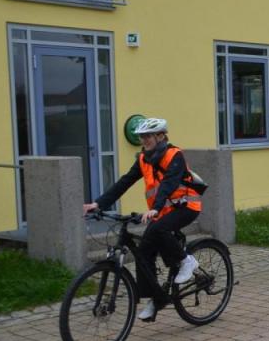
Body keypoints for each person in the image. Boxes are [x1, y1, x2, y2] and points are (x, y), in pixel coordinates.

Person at [83, 118, 202, 321]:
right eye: (142, 137)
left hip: (186, 207)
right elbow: (125, 182)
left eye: (148, 136)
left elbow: (169, 183)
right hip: (162, 212)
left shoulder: (175, 155)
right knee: (144, 250)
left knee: (158, 230)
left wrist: (155, 208)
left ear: (161, 136)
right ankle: (156, 299)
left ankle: (186, 261)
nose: (144, 140)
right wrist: (99, 203)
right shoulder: (143, 159)